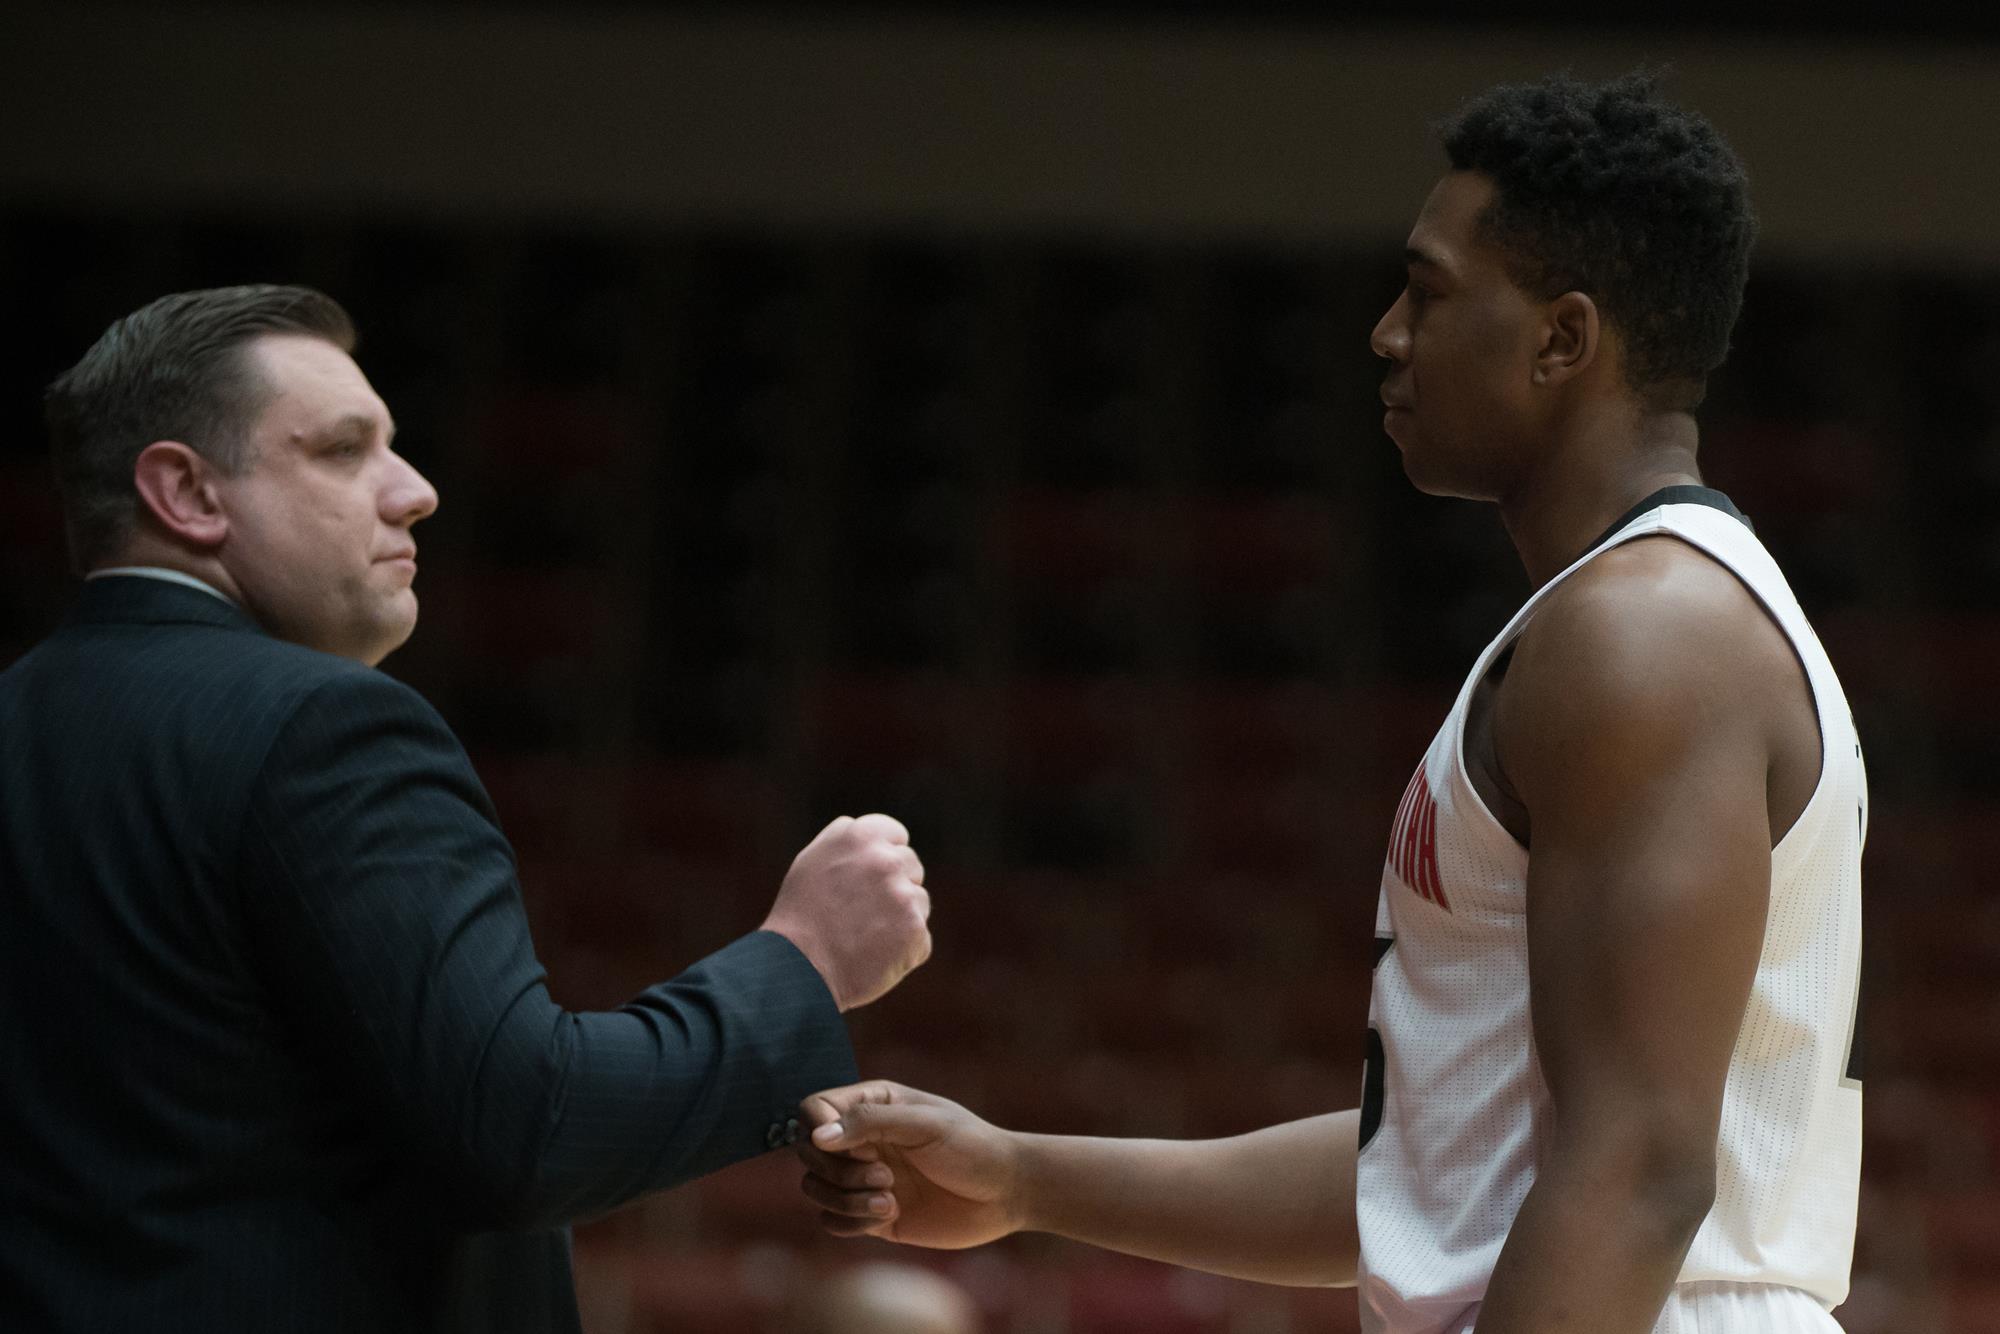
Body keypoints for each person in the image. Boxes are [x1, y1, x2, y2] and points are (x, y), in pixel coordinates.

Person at [795, 72, 1864, 1334]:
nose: (1385, 333)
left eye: (1427, 291)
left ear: (1561, 340)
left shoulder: (1643, 635)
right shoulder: (1633, 619)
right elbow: (1433, 1182)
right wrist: (1023, 1175)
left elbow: (1637, 1171)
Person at [0, 285, 934, 1334]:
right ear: (187, 491)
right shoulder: (327, 726)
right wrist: (803, 960)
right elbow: (525, 1129)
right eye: (345, 450)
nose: (416, 491)